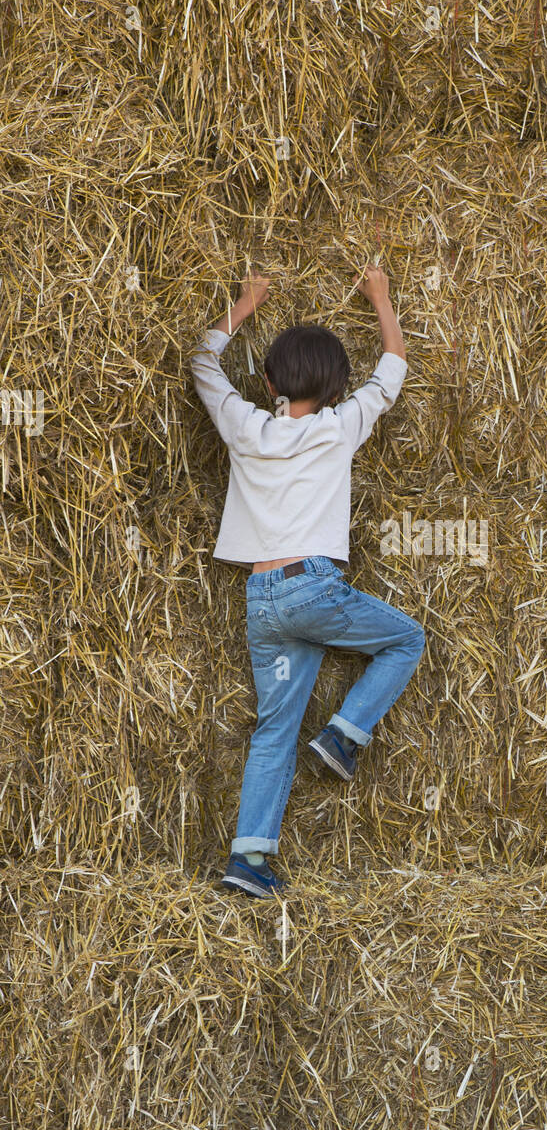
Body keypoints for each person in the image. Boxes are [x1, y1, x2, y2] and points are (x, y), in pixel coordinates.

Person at [189, 265, 425, 897]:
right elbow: (393, 369)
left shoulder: (246, 427)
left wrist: (245, 302)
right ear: (337, 387)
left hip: (263, 601)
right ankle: (344, 736)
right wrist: (381, 299)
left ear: (267, 383)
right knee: (407, 640)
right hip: (313, 590)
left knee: (274, 729)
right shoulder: (340, 427)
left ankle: (249, 858)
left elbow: (202, 363)